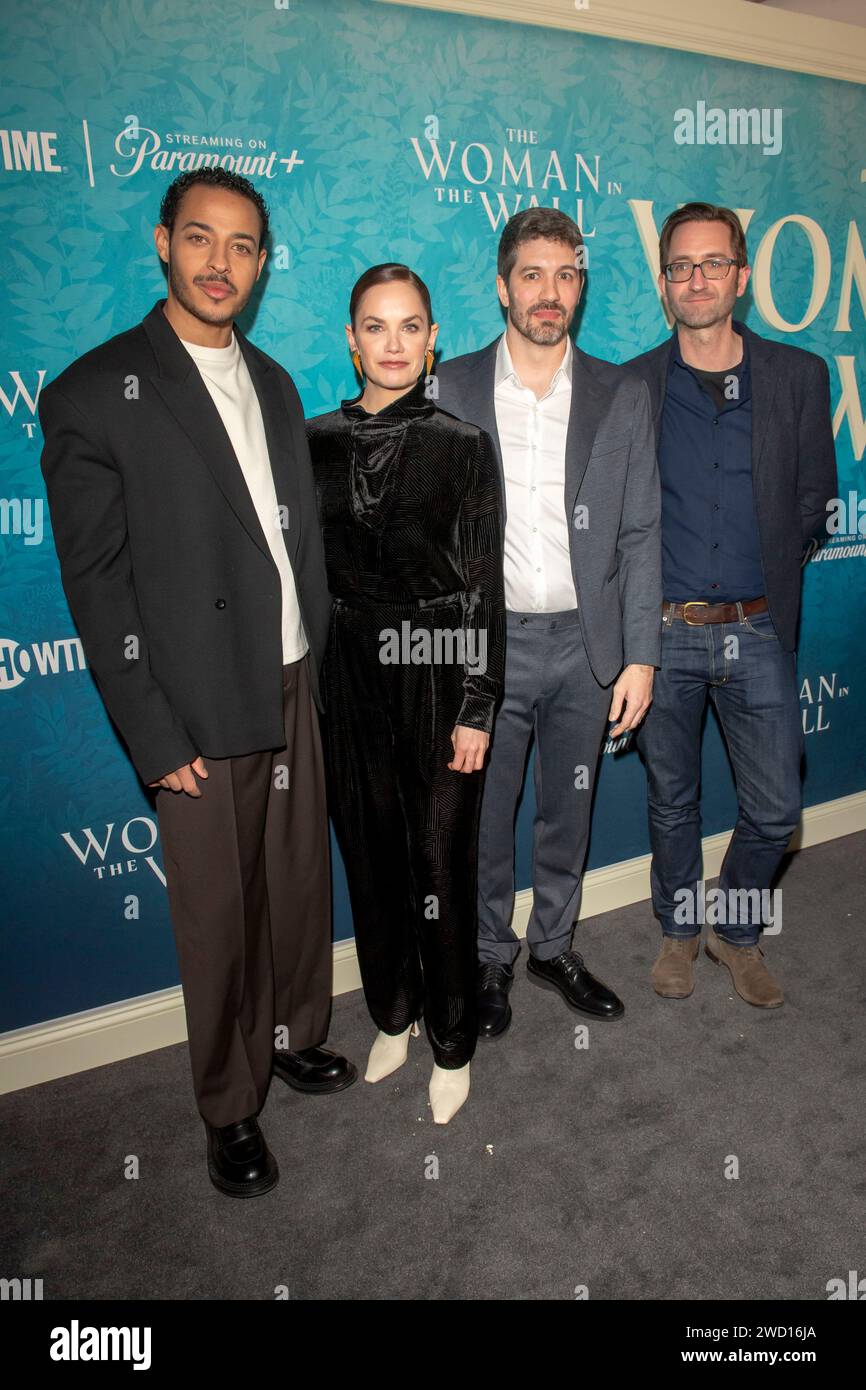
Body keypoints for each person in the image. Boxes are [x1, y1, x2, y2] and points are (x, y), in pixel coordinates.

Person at [38, 168, 355, 1199]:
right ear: (163, 244)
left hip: (291, 677)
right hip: (193, 708)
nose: (222, 264)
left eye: (244, 246)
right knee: (219, 916)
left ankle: (298, 1034)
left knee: (299, 884)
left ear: (263, 262)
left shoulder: (273, 381)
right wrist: (151, 729)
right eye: (202, 240)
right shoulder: (96, 391)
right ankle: (229, 1104)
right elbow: (98, 586)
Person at [436, 208, 662, 1037]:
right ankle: (489, 956)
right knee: (490, 815)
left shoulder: (620, 393)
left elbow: (640, 530)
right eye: (532, 274)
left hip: (585, 646)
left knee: (570, 808)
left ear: (580, 286)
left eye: (567, 274)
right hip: (488, 650)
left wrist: (641, 655)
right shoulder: (450, 388)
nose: (549, 291)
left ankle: (552, 946)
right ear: (502, 286)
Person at [306, 263, 505, 1124]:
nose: (394, 344)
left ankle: (453, 1040)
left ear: (435, 340)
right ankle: (394, 1013)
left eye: (410, 326)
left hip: (435, 661)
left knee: (440, 861)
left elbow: (481, 585)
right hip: (348, 667)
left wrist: (476, 703)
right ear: (352, 340)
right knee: (371, 852)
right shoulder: (309, 441)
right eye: (376, 327)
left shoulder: (462, 445)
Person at [626, 202, 837, 1007]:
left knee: (779, 806)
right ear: (664, 283)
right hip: (664, 634)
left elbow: (817, 496)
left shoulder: (797, 377)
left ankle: (736, 928)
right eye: (681, 266)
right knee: (672, 800)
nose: (698, 279)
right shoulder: (634, 385)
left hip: (756, 626)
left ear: (741, 276)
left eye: (714, 263)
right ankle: (681, 930)